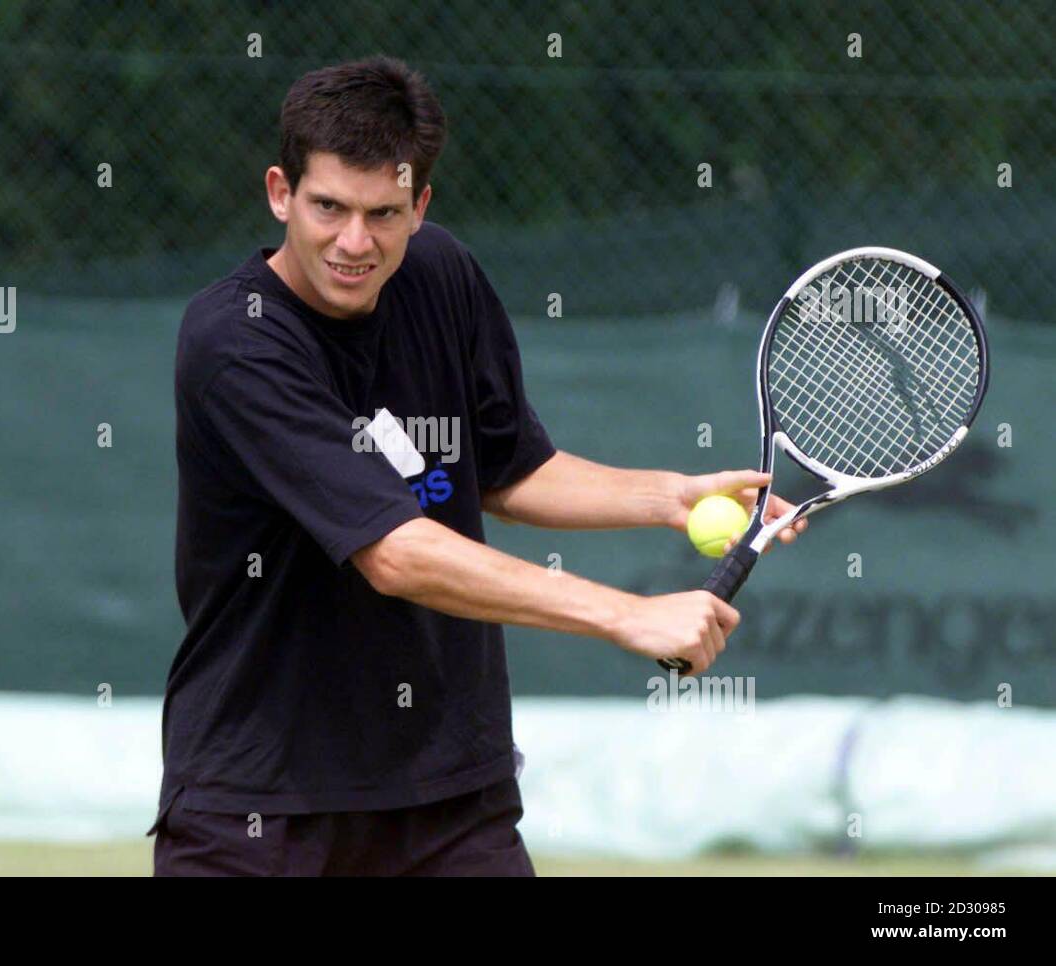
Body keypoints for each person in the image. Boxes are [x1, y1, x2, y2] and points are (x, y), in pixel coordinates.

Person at [151, 55, 805, 876]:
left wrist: (671, 498)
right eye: (329, 208)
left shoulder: (440, 275)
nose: (355, 243)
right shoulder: (235, 342)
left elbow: (505, 470)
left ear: (420, 205)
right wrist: (625, 613)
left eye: (384, 213)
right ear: (280, 192)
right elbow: (394, 552)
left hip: (449, 798)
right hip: (260, 808)